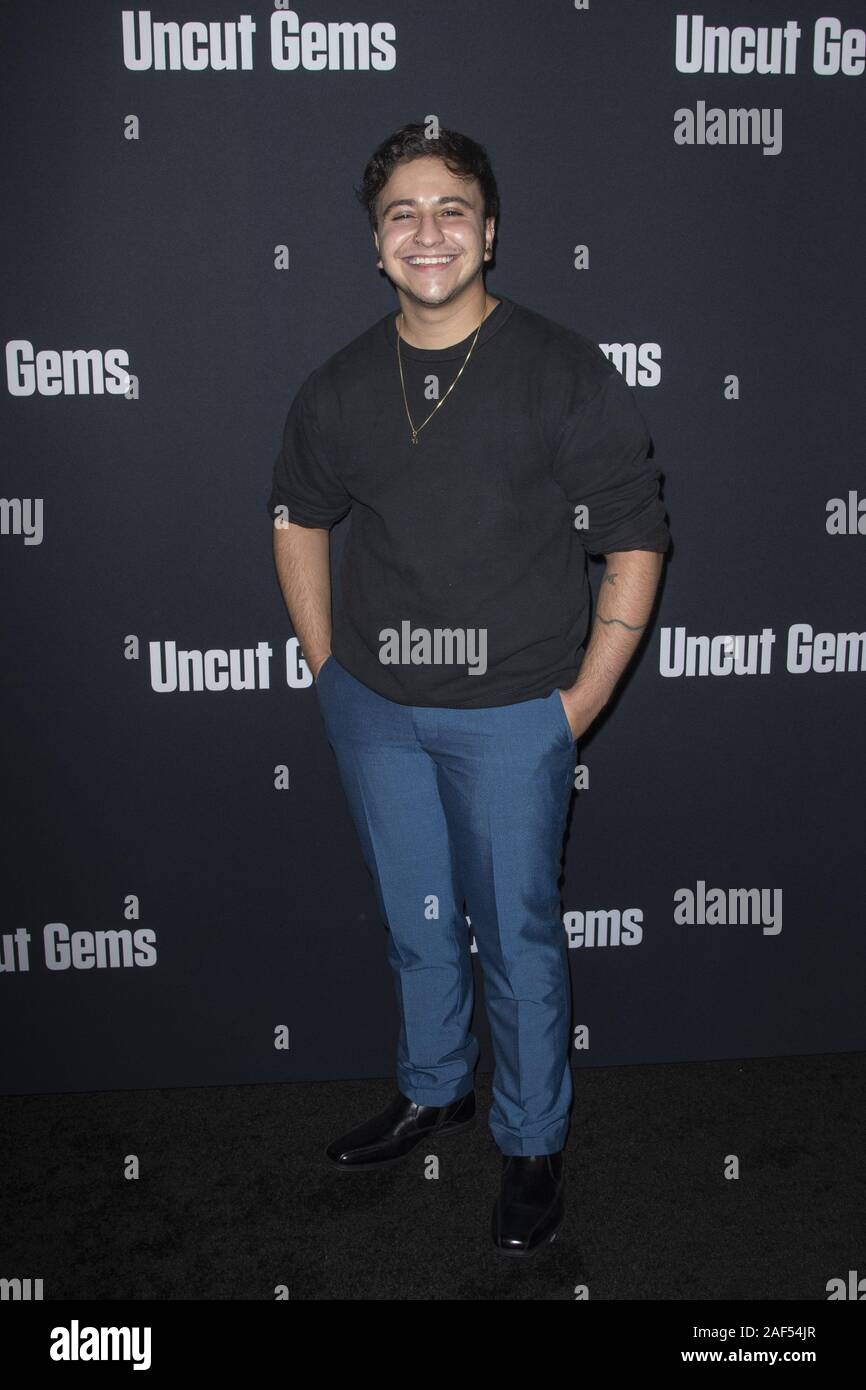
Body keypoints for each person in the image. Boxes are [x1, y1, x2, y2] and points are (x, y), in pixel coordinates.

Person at [267, 123, 671, 1256]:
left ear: (488, 232)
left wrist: (580, 701)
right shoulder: (342, 383)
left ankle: (531, 1140)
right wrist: (326, 664)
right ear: (375, 244)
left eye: (450, 208)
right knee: (415, 926)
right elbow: (296, 511)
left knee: (518, 939)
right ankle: (434, 1086)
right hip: (374, 712)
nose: (427, 230)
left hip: (513, 718)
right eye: (402, 212)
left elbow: (635, 536)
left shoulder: (557, 368)